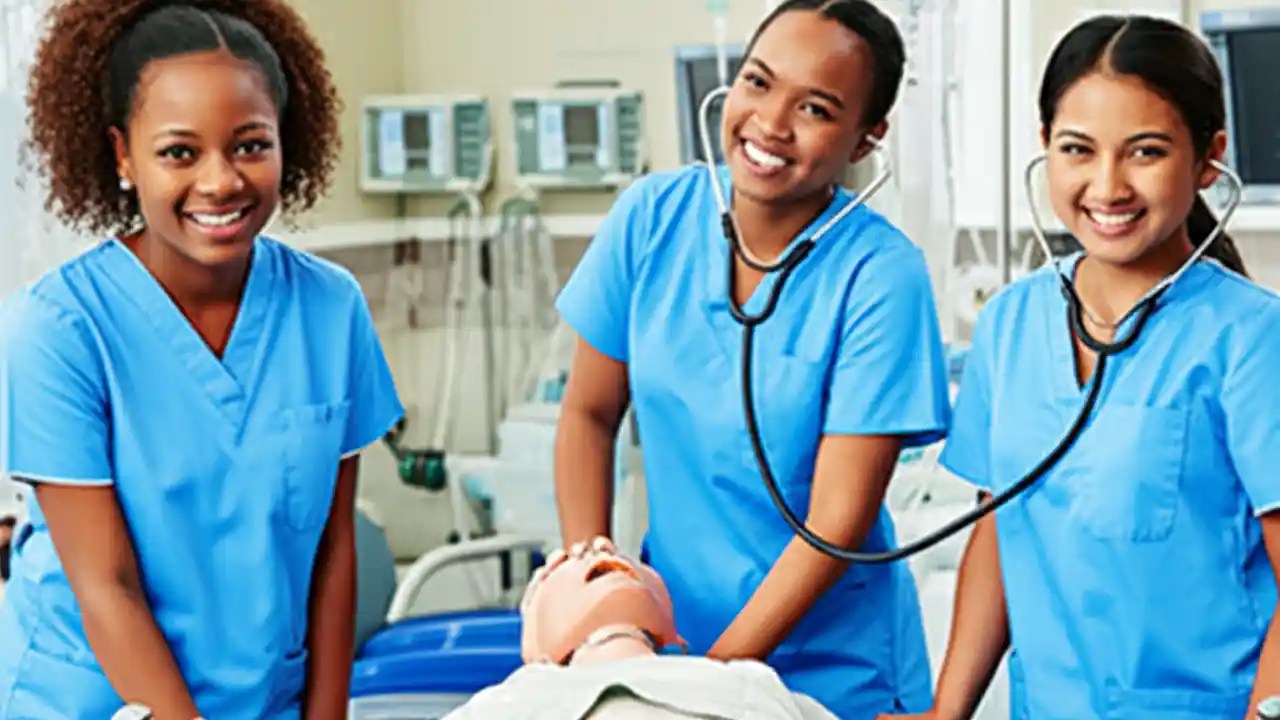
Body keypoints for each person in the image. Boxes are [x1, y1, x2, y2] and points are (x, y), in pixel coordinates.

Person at [0, 2, 403, 718]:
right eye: (179, 153)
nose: (221, 182)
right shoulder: (59, 329)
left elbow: (333, 551)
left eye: (250, 145)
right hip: (95, 702)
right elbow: (107, 587)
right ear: (123, 156)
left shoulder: (330, 308)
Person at [552, 1, 951, 716]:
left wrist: (705, 683)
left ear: (867, 137)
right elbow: (588, 414)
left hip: (831, 671)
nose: (771, 123)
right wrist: (598, 606)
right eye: (759, 82)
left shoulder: (881, 275)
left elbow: (836, 523)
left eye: (816, 109)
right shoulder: (651, 219)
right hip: (672, 640)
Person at [880, 14, 1280, 720]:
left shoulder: (1251, 337)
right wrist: (946, 714)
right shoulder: (1009, 323)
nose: (1108, 185)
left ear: (1209, 159)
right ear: (1045, 146)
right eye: (1077, 149)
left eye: (1146, 152)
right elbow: (999, 533)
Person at [446, 537, 837, 719]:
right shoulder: (507, 699)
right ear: (535, 649)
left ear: (675, 635)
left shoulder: (752, 681)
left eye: (630, 559)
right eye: (565, 562)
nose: (601, 546)